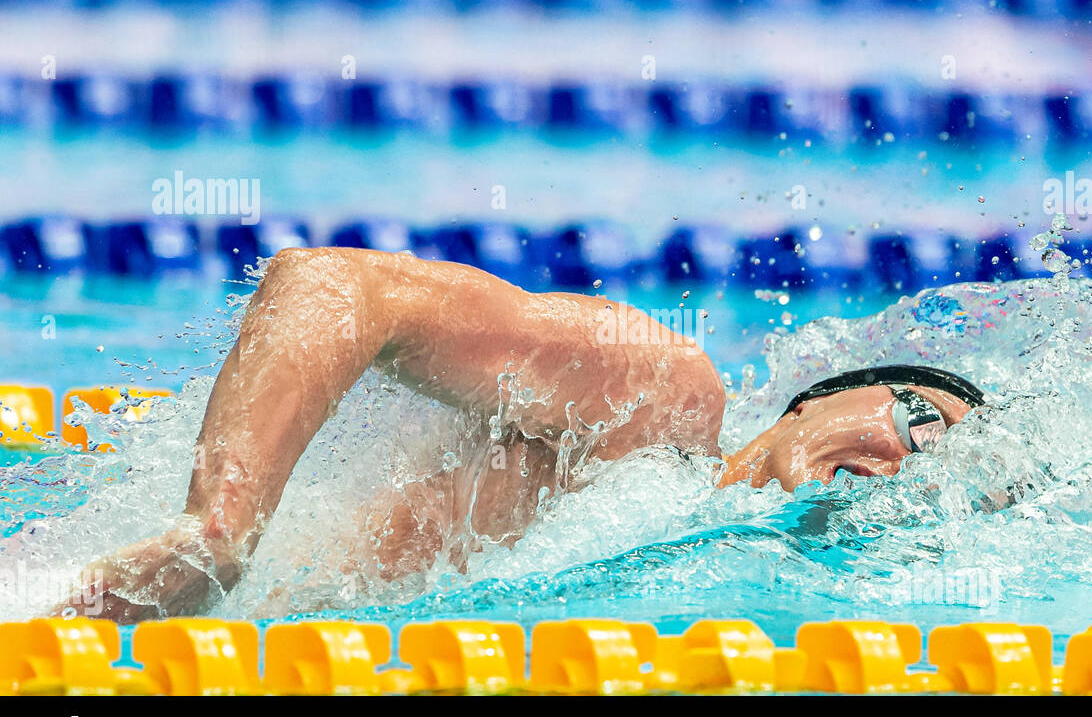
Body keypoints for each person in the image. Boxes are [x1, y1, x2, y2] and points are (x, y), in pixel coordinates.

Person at [61, 247, 982, 622]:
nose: (908, 466)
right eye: (920, 420)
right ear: (819, 398)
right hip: (95, 606)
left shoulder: (742, 601)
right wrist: (218, 532)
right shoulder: (661, 404)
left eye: (940, 480)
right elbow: (338, 285)